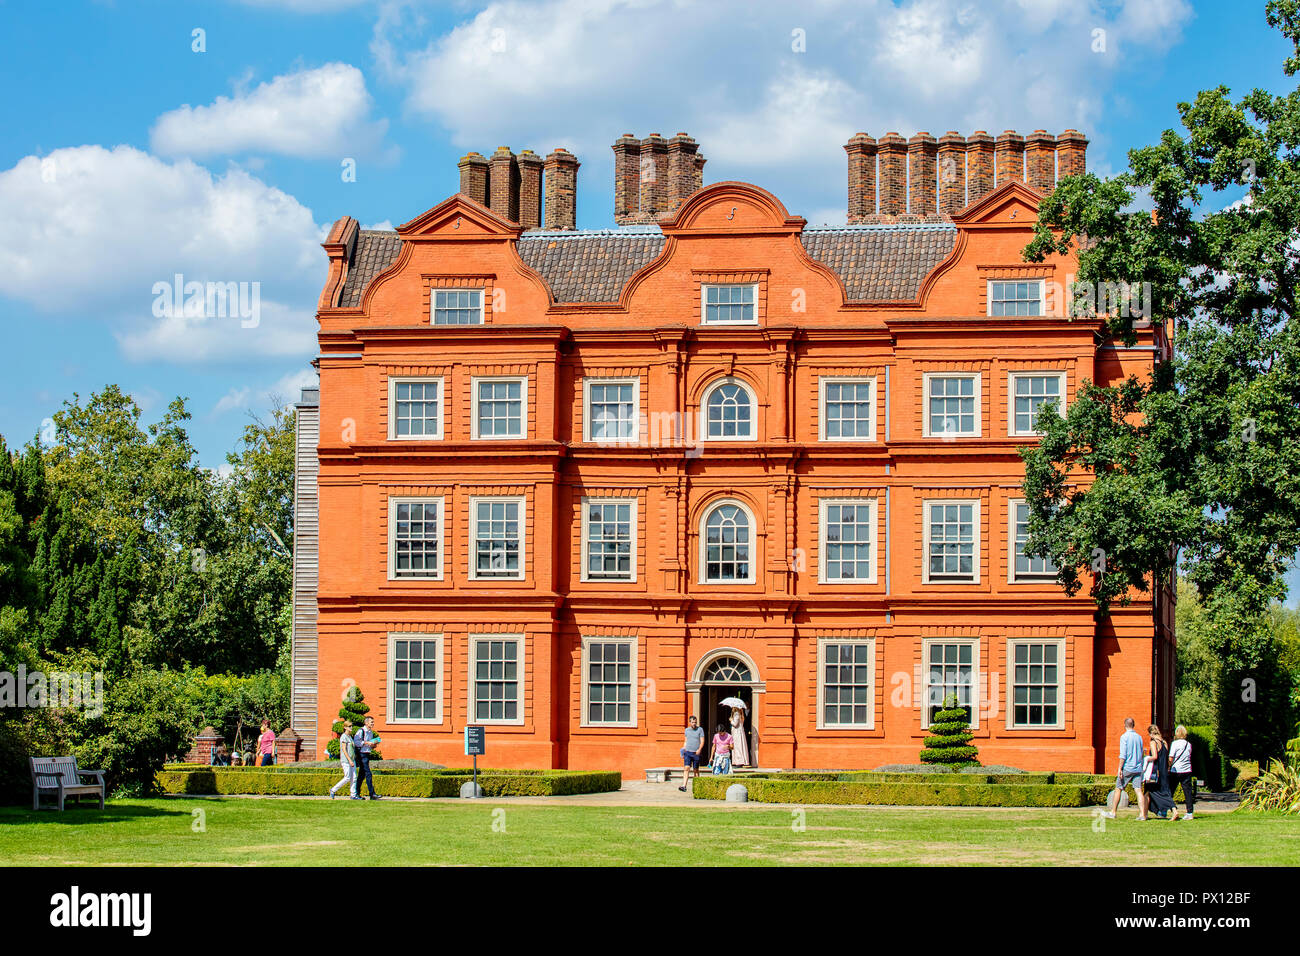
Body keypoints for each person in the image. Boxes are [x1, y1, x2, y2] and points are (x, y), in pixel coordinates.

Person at [1102, 717, 1146, 819]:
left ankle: (1113, 812)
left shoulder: (1124, 737)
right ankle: (1142, 814)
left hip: (1128, 767)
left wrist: (1119, 768)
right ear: (1133, 725)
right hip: (1138, 767)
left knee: (1118, 788)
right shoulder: (1139, 737)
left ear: (1125, 725)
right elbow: (1141, 753)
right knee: (1138, 790)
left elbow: (1123, 755)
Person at [1141, 724, 1181, 821]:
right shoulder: (1164, 742)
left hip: (1155, 772)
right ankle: (1173, 811)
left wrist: (1145, 758)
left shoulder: (1153, 742)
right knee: (1164, 792)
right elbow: (1166, 758)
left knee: (1149, 792)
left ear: (1151, 733)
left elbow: (1155, 756)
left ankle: (1144, 815)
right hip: (1164, 771)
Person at [1167, 725, 1196, 820]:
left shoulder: (1175, 744)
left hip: (1176, 770)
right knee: (1187, 792)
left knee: (1170, 791)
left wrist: (1168, 766)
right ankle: (1189, 812)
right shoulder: (1188, 744)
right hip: (1187, 770)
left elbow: (1171, 758)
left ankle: (1172, 809)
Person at [353, 716, 381, 800]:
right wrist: (367, 743)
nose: (373, 723)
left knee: (362, 775)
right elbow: (356, 742)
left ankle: (356, 793)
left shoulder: (370, 732)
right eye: (371, 722)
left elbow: (369, 745)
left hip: (367, 754)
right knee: (368, 773)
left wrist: (373, 745)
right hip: (361, 754)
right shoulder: (361, 731)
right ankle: (372, 794)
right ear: (366, 723)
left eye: (373, 722)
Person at [330, 719, 358, 800]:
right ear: (345, 727)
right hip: (346, 761)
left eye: (351, 726)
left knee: (354, 777)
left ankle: (353, 795)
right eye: (349, 726)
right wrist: (349, 760)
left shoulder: (350, 737)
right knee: (347, 777)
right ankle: (333, 790)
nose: (351, 728)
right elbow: (344, 750)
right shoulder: (344, 736)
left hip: (352, 760)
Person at [678, 715, 705, 792]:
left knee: (696, 769)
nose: (694, 724)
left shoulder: (700, 730)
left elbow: (702, 741)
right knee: (686, 768)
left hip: (696, 752)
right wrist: (683, 750)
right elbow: (685, 741)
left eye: (695, 722)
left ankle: (697, 787)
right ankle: (684, 786)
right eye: (692, 722)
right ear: (690, 722)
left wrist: (699, 749)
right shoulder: (687, 730)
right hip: (688, 752)